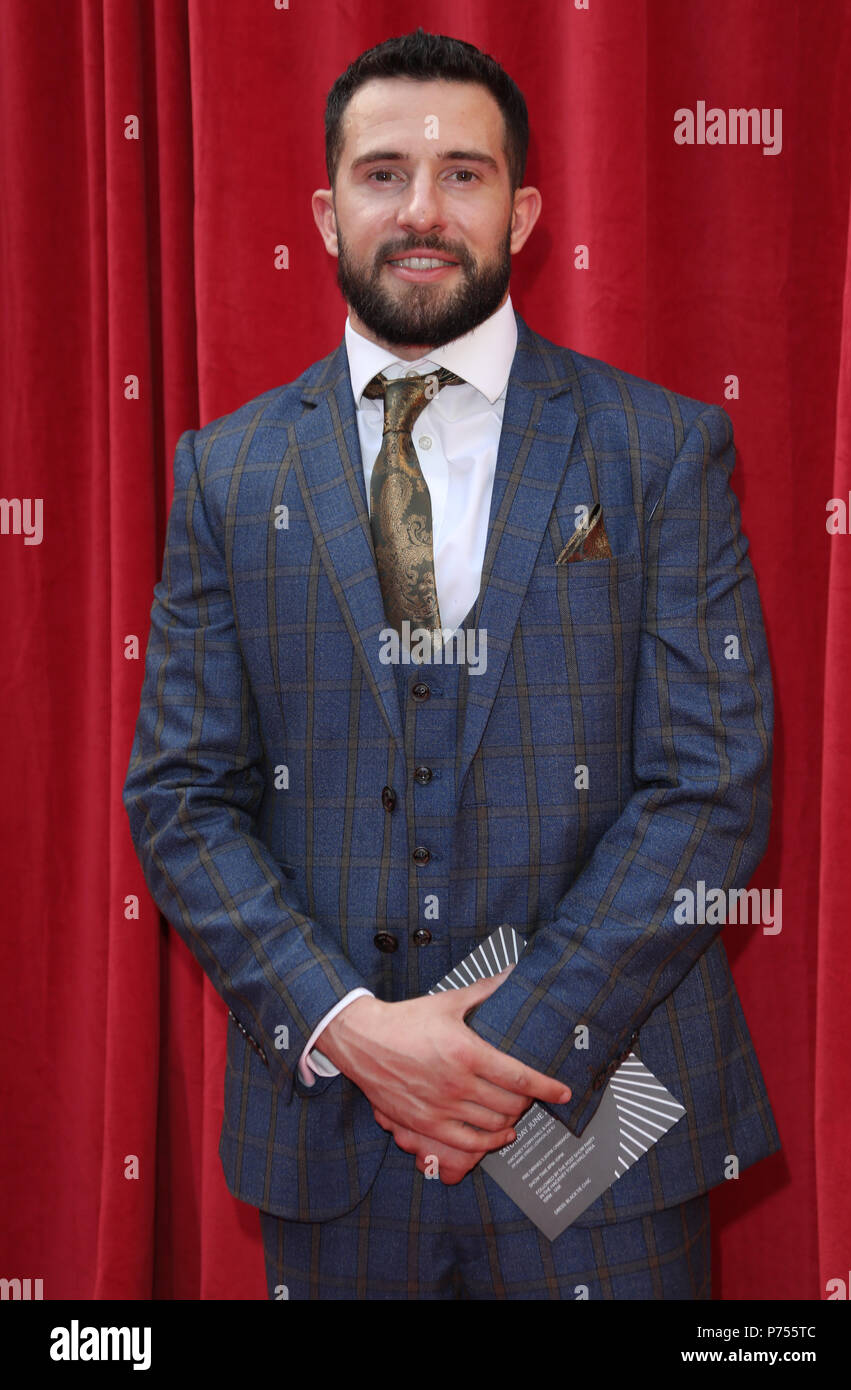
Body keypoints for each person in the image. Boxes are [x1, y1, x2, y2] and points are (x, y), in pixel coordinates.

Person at [123, 28, 780, 1300]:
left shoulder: (662, 450)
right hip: (333, 1138)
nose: (420, 210)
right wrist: (357, 1036)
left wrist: (502, 1056)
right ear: (324, 211)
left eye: (463, 175)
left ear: (524, 209)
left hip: (607, 1118)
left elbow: (709, 788)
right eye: (382, 173)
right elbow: (182, 798)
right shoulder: (226, 470)